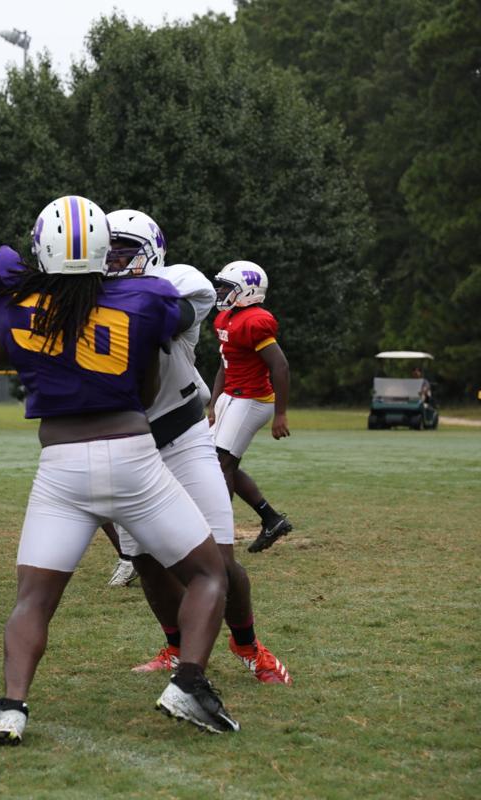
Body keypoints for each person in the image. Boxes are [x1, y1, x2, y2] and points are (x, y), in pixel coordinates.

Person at [0, 196, 238, 744]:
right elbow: (180, 312)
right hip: (134, 457)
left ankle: (11, 707)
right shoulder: (145, 295)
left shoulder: (18, 301)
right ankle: (188, 682)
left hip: (60, 470)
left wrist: (10, 291)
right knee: (211, 574)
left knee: (33, 599)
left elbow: (2, 346)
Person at [103, 210, 292, 685]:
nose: (110, 260)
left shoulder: (180, 282)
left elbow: (156, 312)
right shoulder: (86, 297)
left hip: (182, 434)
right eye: (104, 250)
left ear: (150, 252)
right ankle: (174, 644)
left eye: (121, 250)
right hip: (126, 441)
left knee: (219, 561)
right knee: (145, 560)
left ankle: (248, 643)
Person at [208, 261, 292, 553]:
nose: (220, 291)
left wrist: (281, 413)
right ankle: (271, 519)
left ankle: (216, 534)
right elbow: (224, 365)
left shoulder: (255, 321)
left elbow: (280, 366)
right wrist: (214, 404)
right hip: (231, 397)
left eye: (227, 287)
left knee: (222, 464)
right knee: (219, 462)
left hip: (252, 400)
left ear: (248, 291)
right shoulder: (227, 319)